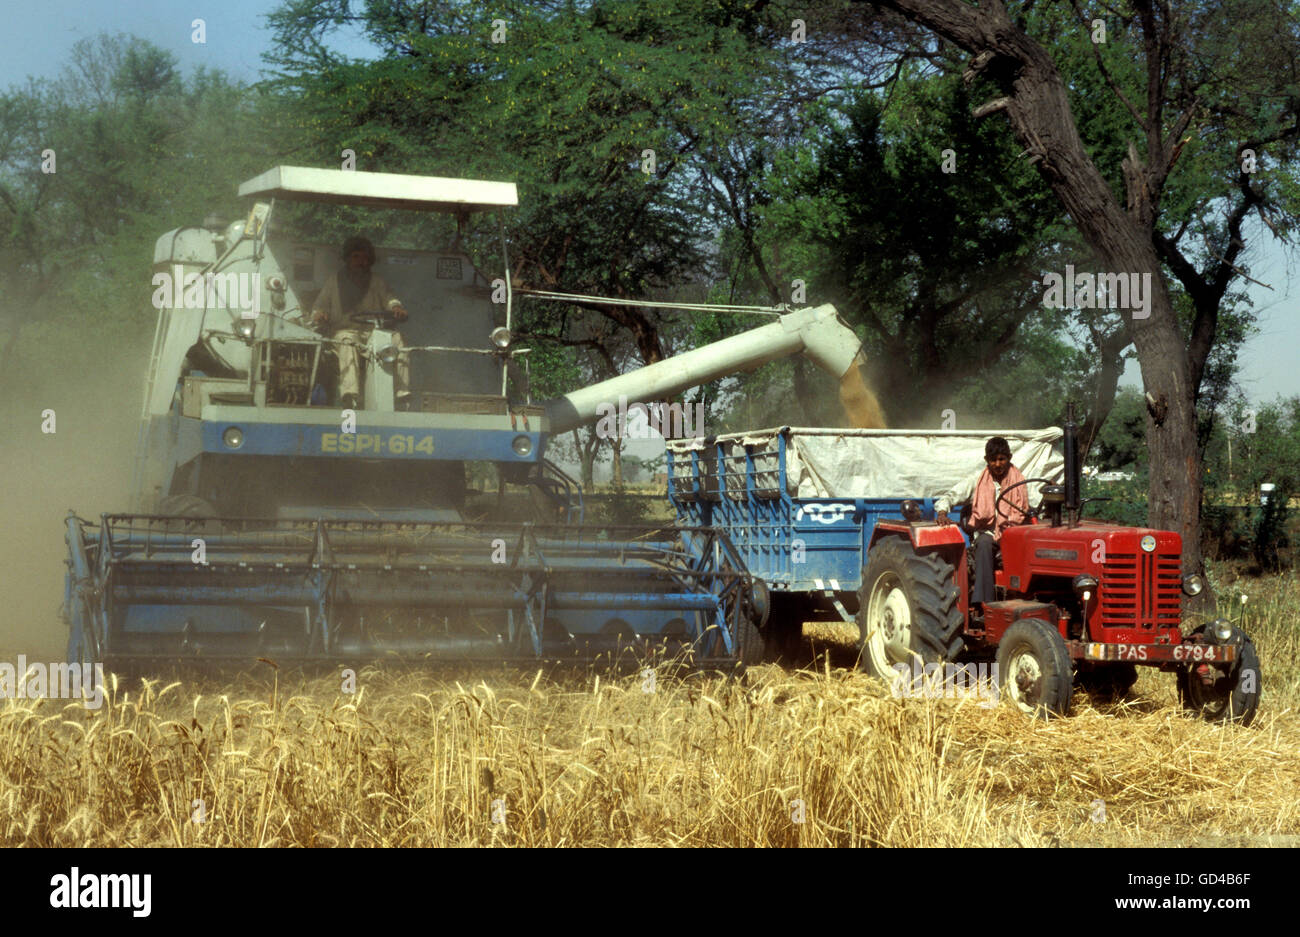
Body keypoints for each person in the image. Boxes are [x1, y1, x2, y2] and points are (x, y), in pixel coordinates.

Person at [311, 236, 411, 409]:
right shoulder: (333, 281)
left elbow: (391, 299)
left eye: (365, 258)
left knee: (397, 340)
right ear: (348, 258)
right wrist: (320, 314)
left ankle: (401, 394)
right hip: (344, 331)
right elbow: (318, 308)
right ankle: (351, 396)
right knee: (348, 343)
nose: (361, 262)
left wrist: (397, 308)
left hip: (373, 333)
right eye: (356, 257)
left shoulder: (377, 281)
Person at [934, 436, 1029, 609]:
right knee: (984, 542)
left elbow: (1037, 500)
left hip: (1013, 533)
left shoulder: (1020, 481)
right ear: (987, 460)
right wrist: (942, 511)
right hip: (989, 534)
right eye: (993, 460)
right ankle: (985, 602)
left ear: (1009, 458)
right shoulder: (976, 481)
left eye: (1002, 459)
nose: (998, 464)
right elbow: (950, 496)